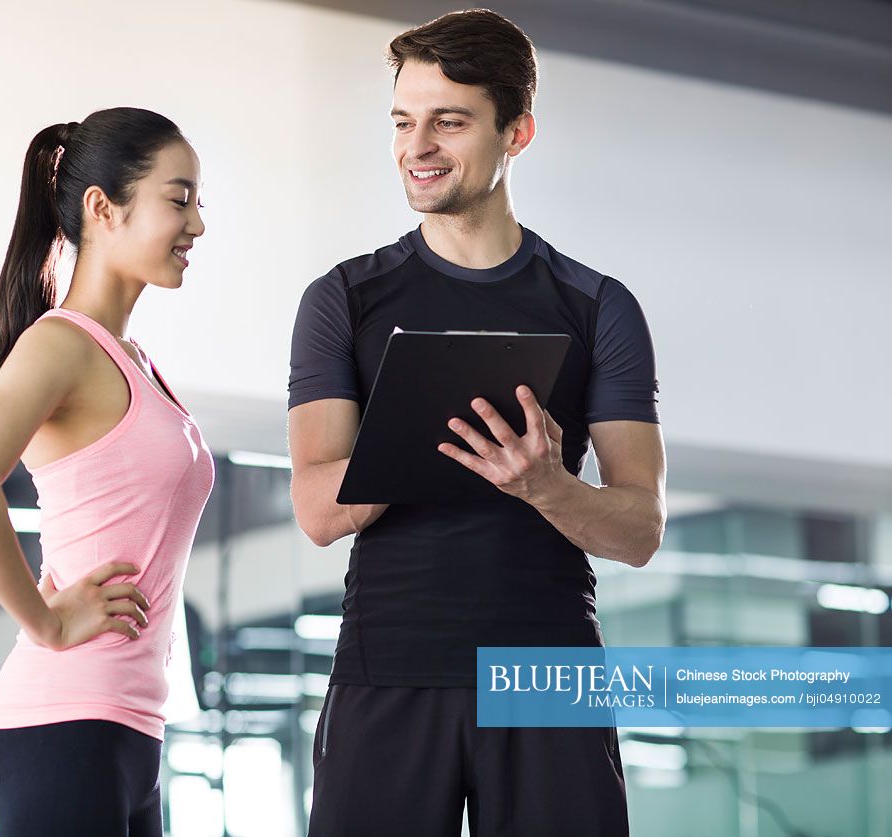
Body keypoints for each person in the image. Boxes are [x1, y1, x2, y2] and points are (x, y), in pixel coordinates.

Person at [288, 10, 665, 837]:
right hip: (389, 665)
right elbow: (317, 511)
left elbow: (639, 528)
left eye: (447, 121)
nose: (416, 145)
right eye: (402, 121)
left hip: (547, 674)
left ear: (515, 133)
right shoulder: (343, 300)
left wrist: (547, 486)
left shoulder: (597, 306)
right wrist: (411, 435)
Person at [0, 107, 212, 837]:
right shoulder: (61, 344)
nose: (197, 225)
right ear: (101, 207)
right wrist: (47, 621)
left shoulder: (133, 360)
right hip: (63, 722)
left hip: (128, 728)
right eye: (178, 199)